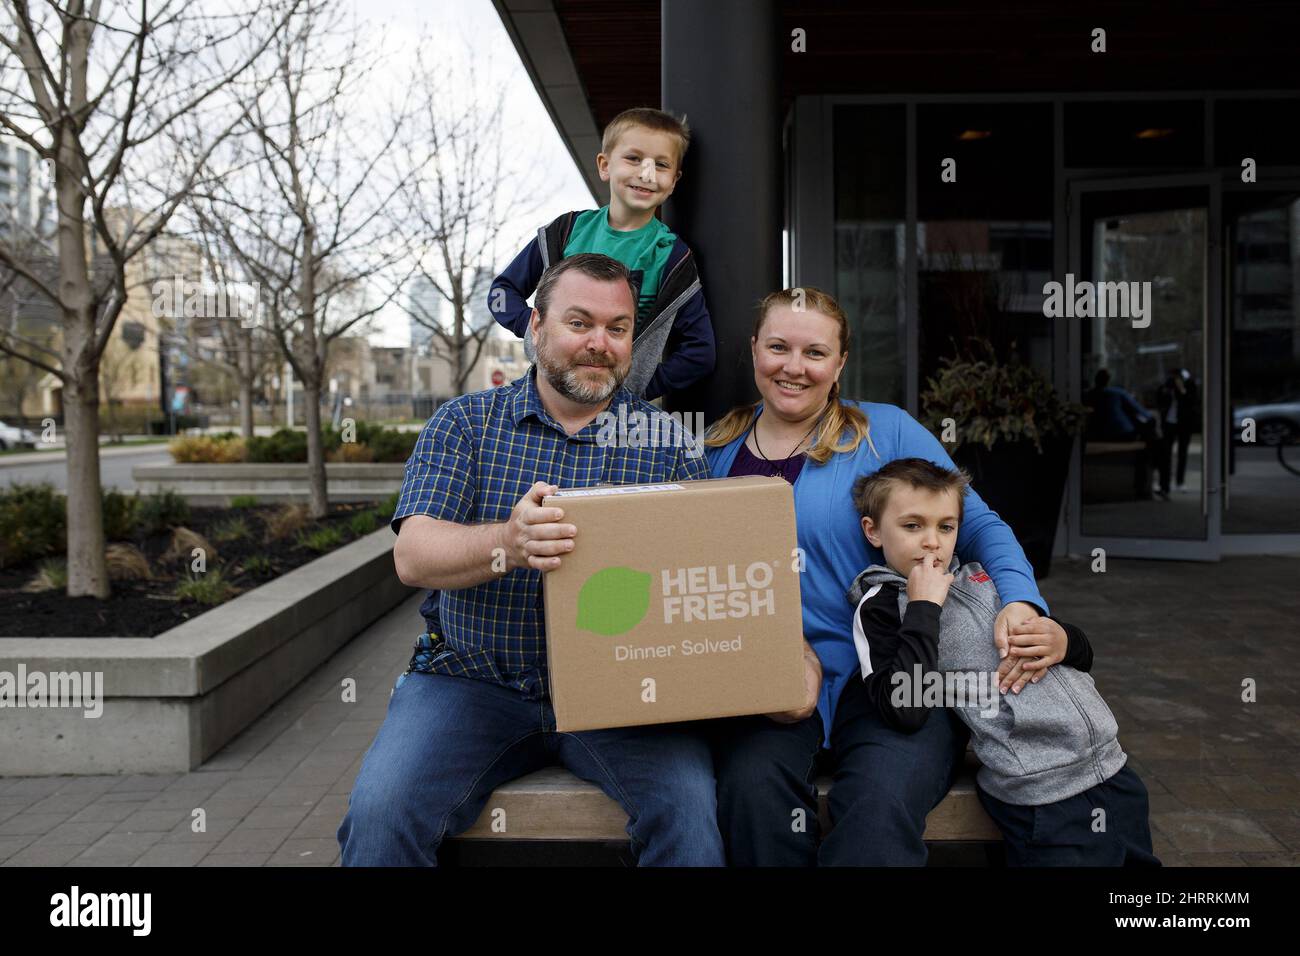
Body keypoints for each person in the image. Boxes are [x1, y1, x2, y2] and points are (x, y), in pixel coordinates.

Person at [337, 254, 724, 866]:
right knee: (381, 813)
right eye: (579, 322)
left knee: (692, 818)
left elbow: (702, 578)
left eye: (617, 329)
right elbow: (413, 556)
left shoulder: (668, 441)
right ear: (536, 325)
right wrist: (508, 545)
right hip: (472, 680)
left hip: (623, 693)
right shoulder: (465, 424)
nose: (599, 344)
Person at [703, 286, 1066, 866]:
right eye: (778, 347)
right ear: (753, 351)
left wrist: (1022, 602)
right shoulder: (713, 451)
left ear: (841, 362)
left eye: (815, 353)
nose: (794, 367)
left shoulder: (884, 433)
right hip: (770, 683)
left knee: (878, 808)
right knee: (751, 796)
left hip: (894, 676)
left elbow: (979, 526)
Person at [847, 457, 1159, 866]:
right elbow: (903, 707)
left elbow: (1078, 657)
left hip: (1111, 768)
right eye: (912, 526)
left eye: (946, 526)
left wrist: (1065, 640)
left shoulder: (984, 576)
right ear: (873, 531)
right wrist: (924, 607)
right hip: (1040, 793)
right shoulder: (882, 606)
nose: (932, 542)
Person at [488, 107, 715, 400]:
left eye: (661, 165)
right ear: (605, 165)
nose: (646, 173)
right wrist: (533, 331)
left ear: (674, 180)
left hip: (617, 421)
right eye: (633, 159)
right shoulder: (565, 231)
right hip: (545, 398)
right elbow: (501, 292)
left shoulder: (672, 257)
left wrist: (636, 387)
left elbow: (701, 352)